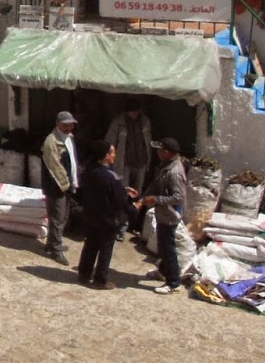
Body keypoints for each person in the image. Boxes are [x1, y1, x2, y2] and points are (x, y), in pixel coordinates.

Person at [76, 139, 137, 289]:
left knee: (90, 246)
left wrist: (122, 189)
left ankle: (84, 274)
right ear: (105, 156)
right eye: (112, 153)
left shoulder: (89, 171)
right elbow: (120, 200)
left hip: (91, 216)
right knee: (105, 250)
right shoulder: (110, 177)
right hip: (107, 220)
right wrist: (134, 207)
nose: (114, 155)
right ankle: (100, 280)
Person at [140, 137, 190, 295]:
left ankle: (173, 282)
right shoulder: (166, 166)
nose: (157, 152)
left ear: (167, 153)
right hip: (163, 214)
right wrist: (144, 198)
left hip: (171, 215)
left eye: (160, 150)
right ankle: (163, 271)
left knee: (168, 249)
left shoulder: (175, 173)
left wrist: (156, 199)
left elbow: (179, 197)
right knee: (162, 246)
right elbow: (156, 184)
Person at [105, 99, 154, 237]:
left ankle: (134, 225)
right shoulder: (118, 123)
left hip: (141, 163)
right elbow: (109, 143)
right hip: (123, 163)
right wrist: (109, 161)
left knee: (138, 194)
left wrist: (149, 161)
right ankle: (121, 227)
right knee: (123, 195)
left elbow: (148, 142)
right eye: (131, 112)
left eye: (135, 112)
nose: (133, 114)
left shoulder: (145, 122)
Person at [39, 110, 80, 265]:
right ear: (58, 124)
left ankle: (51, 244)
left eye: (70, 125)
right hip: (57, 186)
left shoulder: (68, 138)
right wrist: (66, 185)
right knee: (58, 217)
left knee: (62, 216)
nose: (68, 128)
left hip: (67, 184)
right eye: (65, 125)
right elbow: (55, 168)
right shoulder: (51, 143)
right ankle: (56, 250)